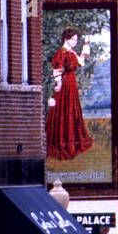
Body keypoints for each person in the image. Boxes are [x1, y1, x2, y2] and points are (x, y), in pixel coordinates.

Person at [46, 28, 95, 161]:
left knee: (72, 110)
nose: (74, 41)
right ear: (66, 39)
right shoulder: (61, 52)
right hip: (65, 83)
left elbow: (80, 63)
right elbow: (57, 69)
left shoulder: (72, 52)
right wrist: (58, 83)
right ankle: (62, 142)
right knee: (63, 110)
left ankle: (73, 140)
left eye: (76, 39)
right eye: (72, 39)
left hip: (72, 84)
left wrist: (84, 54)